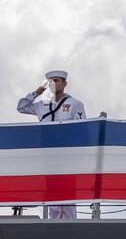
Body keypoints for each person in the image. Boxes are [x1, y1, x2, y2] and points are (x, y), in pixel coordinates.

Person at [16, 69, 85, 219]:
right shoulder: (42, 105)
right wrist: (36, 93)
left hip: (67, 154)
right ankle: (53, 221)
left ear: (65, 84)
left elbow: (81, 129)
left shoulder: (75, 104)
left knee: (68, 191)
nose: (53, 83)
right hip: (48, 154)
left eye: (57, 80)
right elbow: (21, 107)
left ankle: (69, 223)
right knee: (52, 189)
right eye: (51, 81)